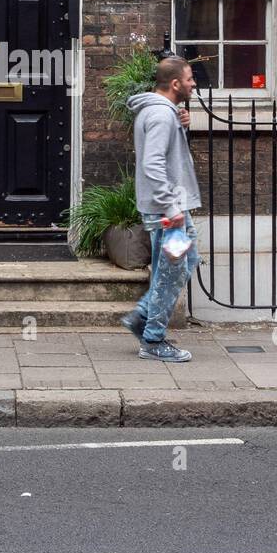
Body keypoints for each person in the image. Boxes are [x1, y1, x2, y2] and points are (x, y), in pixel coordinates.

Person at [119, 56, 201, 362]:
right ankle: (152, 339)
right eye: (190, 79)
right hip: (168, 211)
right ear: (176, 83)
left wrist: (182, 127)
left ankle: (141, 315)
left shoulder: (165, 113)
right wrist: (170, 206)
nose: (194, 84)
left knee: (186, 260)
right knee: (171, 271)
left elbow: (167, 157)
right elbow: (152, 164)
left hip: (172, 207)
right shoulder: (160, 116)